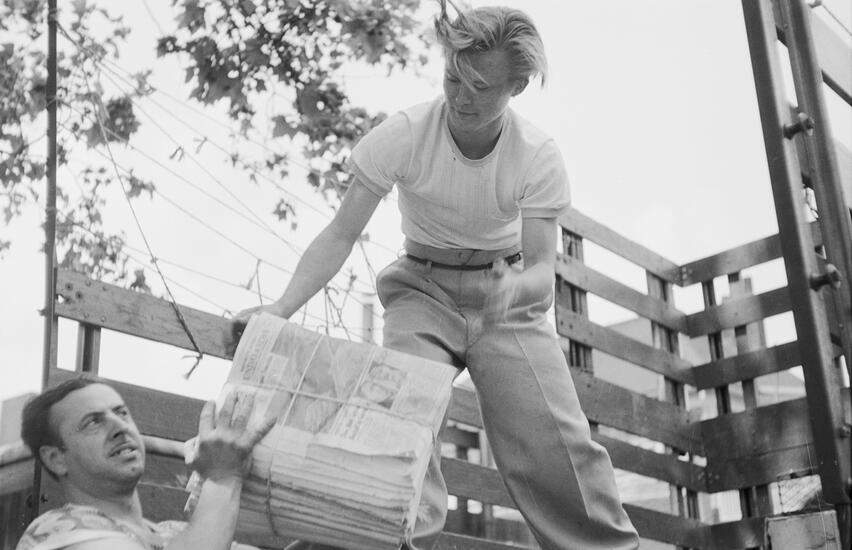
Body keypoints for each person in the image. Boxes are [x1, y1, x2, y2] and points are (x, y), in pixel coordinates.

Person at [236, 3, 640, 549]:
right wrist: (280, 308)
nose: (462, 95)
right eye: (454, 76)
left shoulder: (537, 155)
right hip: (420, 292)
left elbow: (543, 272)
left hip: (505, 297)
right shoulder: (404, 134)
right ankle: (398, 542)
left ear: (515, 88)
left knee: (554, 441)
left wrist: (514, 289)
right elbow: (339, 234)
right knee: (401, 425)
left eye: (481, 85)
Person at [15, 376, 275, 550]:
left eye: (121, 413)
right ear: (56, 458)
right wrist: (222, 477)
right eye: (93, 422)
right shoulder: (51, 534)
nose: (120, 427)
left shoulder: (172, 533)